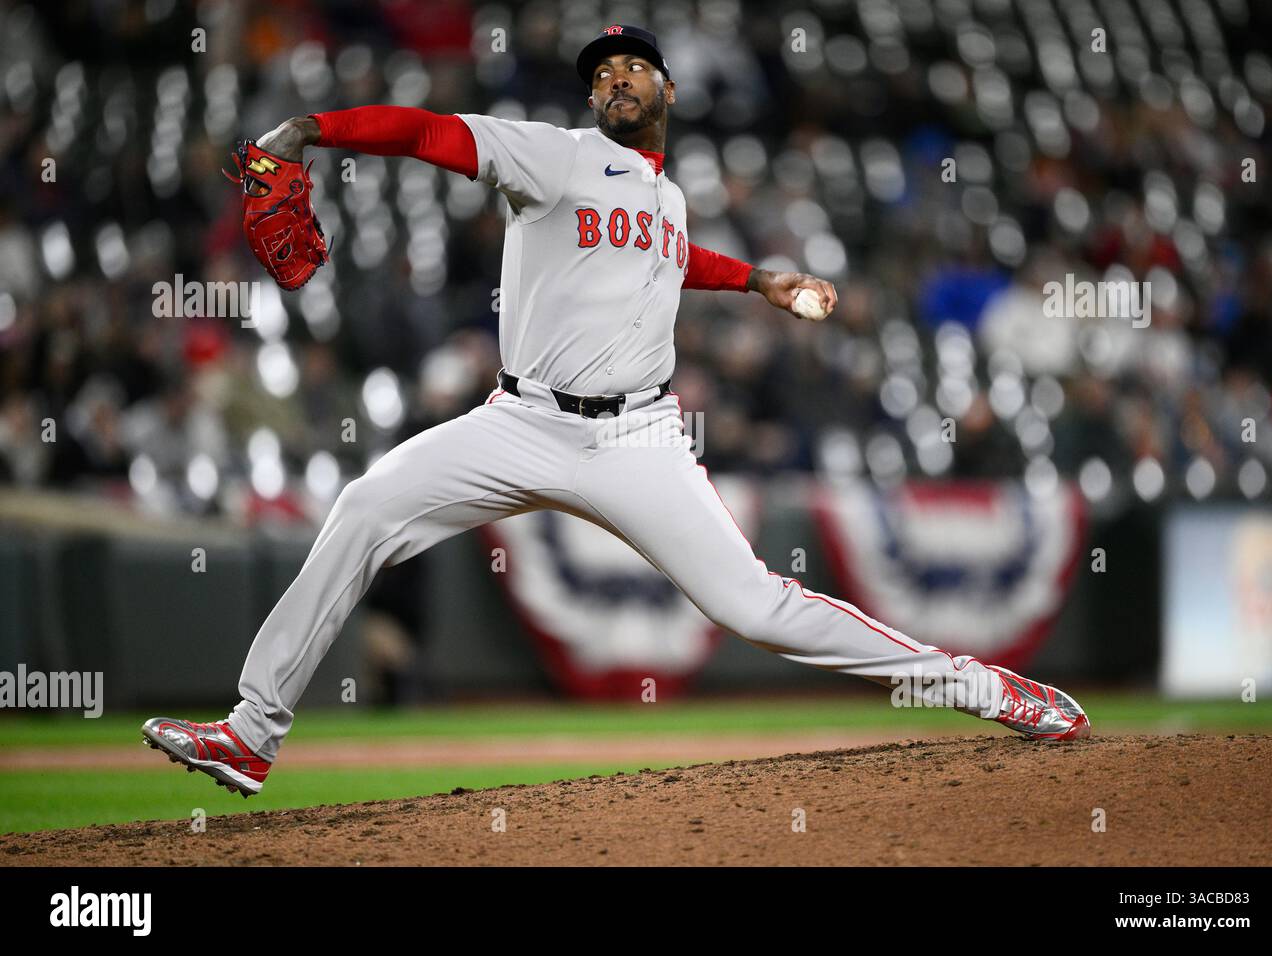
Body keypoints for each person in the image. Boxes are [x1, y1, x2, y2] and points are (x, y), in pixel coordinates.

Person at [142, 25, 1088, 797]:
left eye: (635, 65)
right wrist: (313, 129)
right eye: (603, 71)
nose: (616, 78)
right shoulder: (552, 156)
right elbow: (428, 133)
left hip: (638, 437)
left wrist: (759, 279)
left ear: (668, 94)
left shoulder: (668, 197)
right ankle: (250, 735)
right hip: (519, 422)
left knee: (754, 606)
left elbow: (674, 257)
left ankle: (982, 686)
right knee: (362, 510)